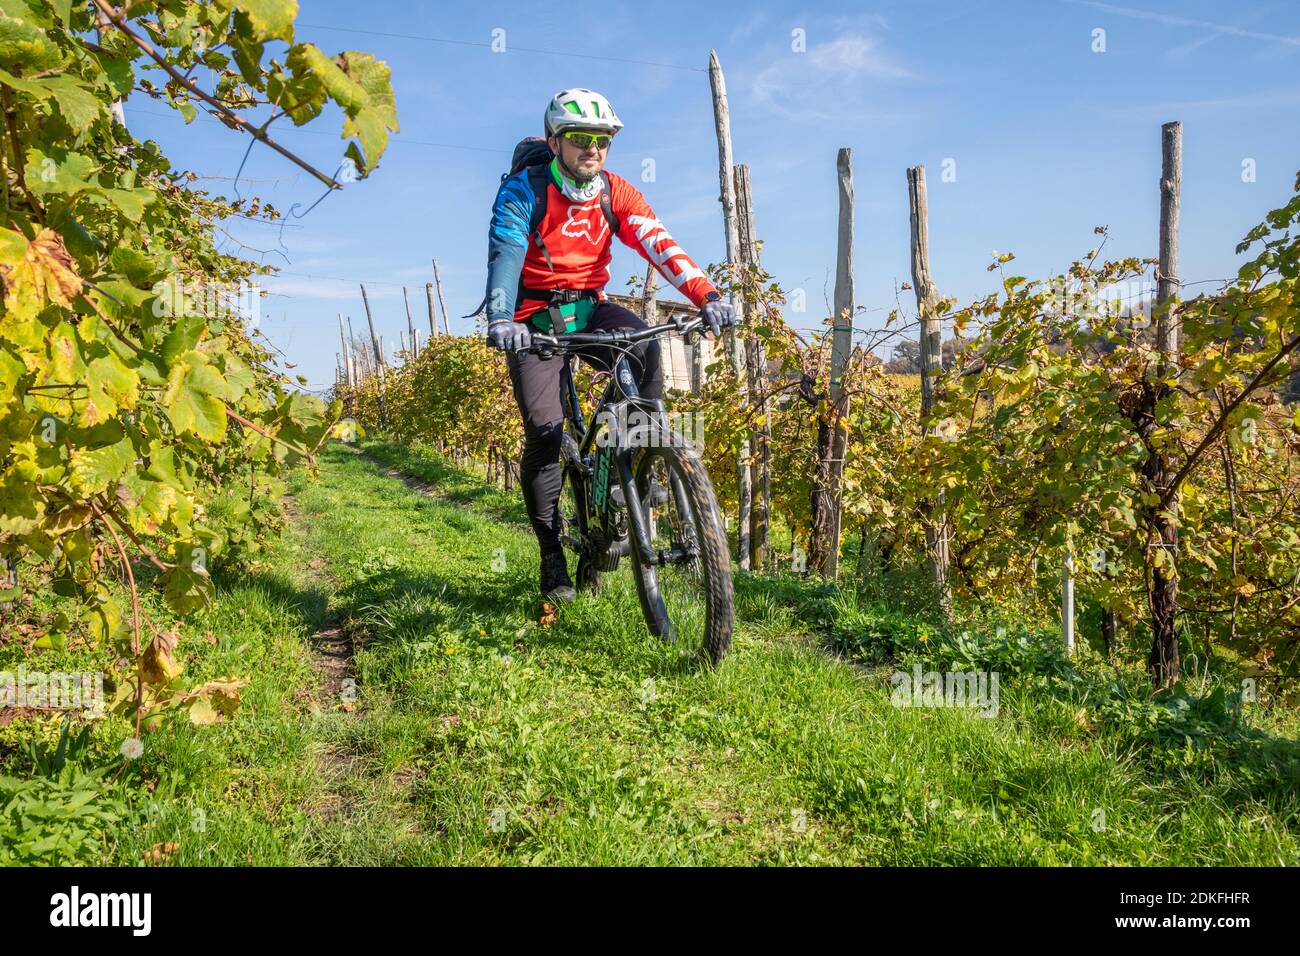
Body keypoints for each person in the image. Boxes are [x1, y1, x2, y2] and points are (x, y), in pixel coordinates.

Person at [484, 87, 734, 604]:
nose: (592, 149)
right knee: (546, 433)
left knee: (645, 347)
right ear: (555, 142)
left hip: (590, 307)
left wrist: (706, 293)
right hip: (533, 318)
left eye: (602, 140)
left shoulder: (614, 192)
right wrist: (502, 316)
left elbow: (658, 242)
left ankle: (644, 459)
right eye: (579, 138)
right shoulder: (523, 192)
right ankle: (552, 554)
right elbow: (505, 254)